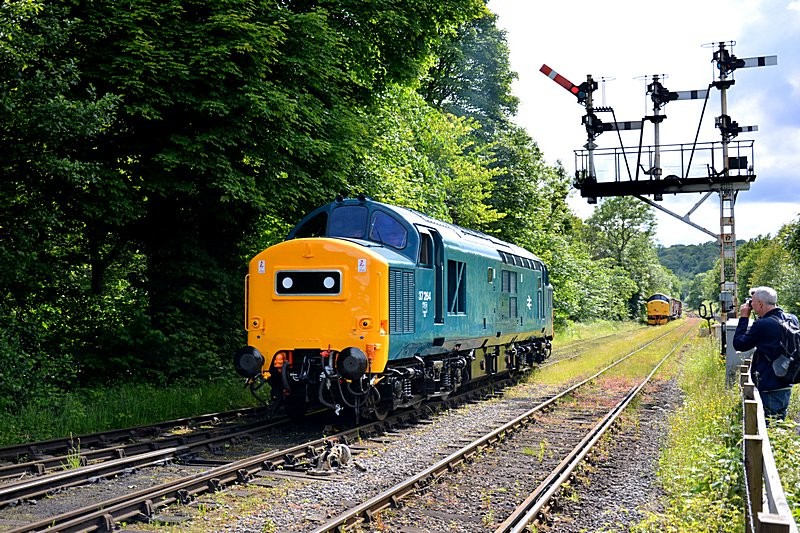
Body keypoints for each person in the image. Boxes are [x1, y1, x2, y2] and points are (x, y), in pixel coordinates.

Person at [733, 286, 799, 420]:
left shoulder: (762, 324)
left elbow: (739, 344)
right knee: (780, 423)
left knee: (769, 425)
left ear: (760, 304)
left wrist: (744, 318)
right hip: (787, 380)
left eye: (753, 301)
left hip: (770, 386)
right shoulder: (792, 319)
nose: (751, 305)